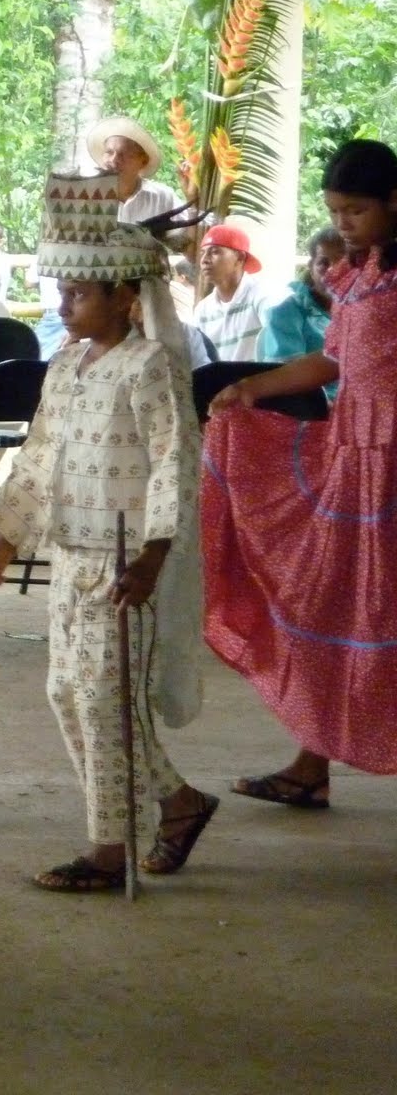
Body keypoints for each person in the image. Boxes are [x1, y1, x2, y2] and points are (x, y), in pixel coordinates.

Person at [0, 171, 216, 893]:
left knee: (108, 697)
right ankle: (177, 802)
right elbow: (40, 452)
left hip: (127, 559)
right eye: (63, 291)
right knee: (66, 692)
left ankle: (109, 848)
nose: (63, 304)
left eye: (78, 293)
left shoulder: (152, 367)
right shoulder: (67, 364)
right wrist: (8, 535)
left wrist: (152, 555)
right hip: (73, 552)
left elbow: (177, 462)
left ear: (122, 295)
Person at [204, 139, 397, 808]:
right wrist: (254, 388)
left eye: (358, 210)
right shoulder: (358, 278)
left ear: (395, 203)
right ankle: (311, 763)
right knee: (329, 603)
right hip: (354, 468)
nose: (345, 223)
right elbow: (331, 361)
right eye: (337, 211)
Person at [259, 226, 344, 381]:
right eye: (323, 263)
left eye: (342, 264)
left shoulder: (365, 310)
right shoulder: (286, 313)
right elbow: (287, 379)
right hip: (315, 402)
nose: (333, 272)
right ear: (311, 268)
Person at [193, 222, 267, 361]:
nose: (204, 260)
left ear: (240, 258)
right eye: (202, 253)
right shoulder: (202, 310)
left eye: (214, 252)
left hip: (259, 381)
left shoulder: (262, 296)